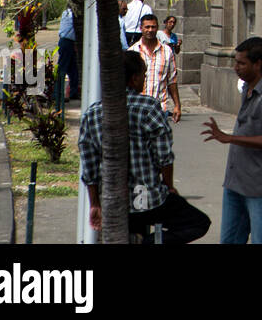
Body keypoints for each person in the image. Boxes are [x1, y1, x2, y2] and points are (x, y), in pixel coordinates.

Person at [79, 51, 210, 243]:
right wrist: (168, 185)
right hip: (149, 201)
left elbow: (89, 167)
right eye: (143, 75)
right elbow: (164, 156)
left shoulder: (92, 114)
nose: (144, 80)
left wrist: (95, 204)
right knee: (198, 222)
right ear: (134, 79)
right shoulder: (149, 107)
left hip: (112, 202)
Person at [203, 37, 262, 244]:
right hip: (237, 180)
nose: (236, 68)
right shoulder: (247, 88)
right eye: (236, 62)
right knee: (230, 239)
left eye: (241, 63)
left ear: (258, 64)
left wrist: (230, 138)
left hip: (260, 185)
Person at [130, 13, 181, 123]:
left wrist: (177, 105)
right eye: (147, 27)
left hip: (159, 110)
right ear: (141, 28)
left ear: (157, 28)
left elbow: (172, 80)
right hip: (136, 109)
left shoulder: (167, 52)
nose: (150, 30)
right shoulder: (133, 51)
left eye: (153, 27)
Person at [57, 4, 80, 101]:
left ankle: (73, 92)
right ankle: (57, 93)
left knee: (73, 69)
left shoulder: (65, 13)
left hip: (67, 42)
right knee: (63, 68)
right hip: (67, 42)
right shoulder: (72, 15)